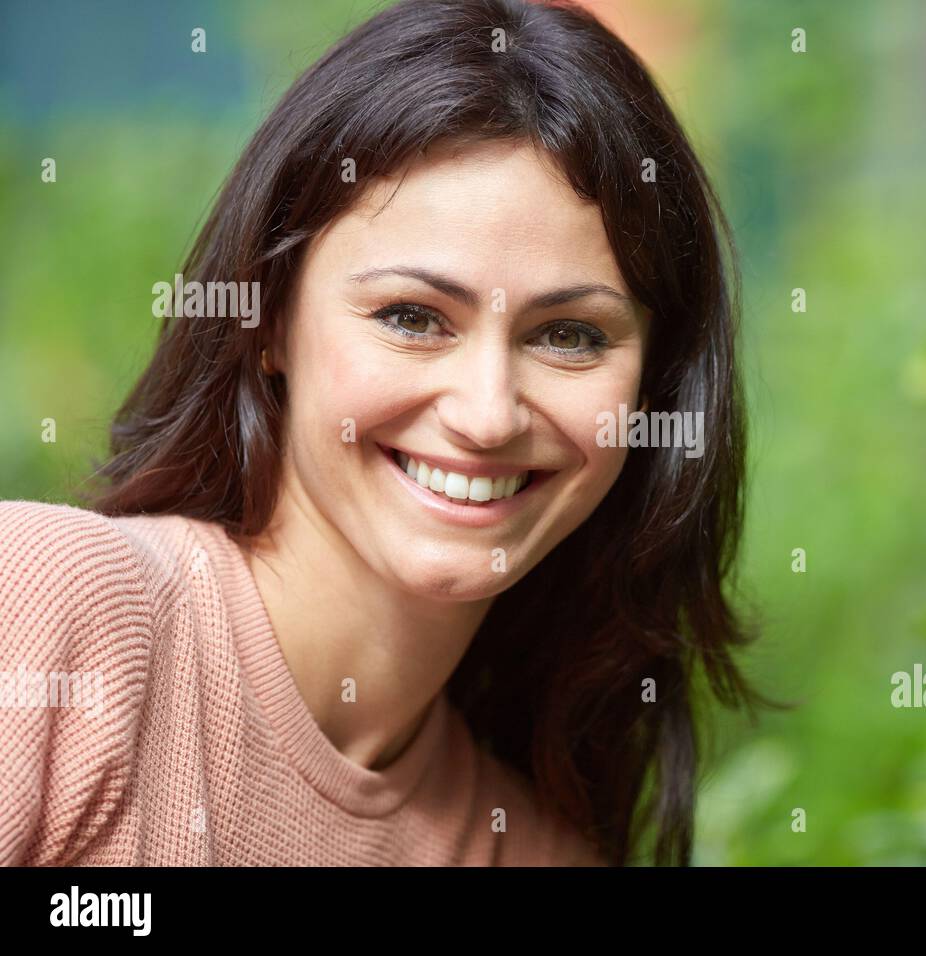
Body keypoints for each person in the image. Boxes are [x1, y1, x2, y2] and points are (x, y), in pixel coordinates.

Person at [0, 0, 770, 867]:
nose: (487, 415)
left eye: (569, 335)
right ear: (270, 320)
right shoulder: (45, 611)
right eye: (412, 316)